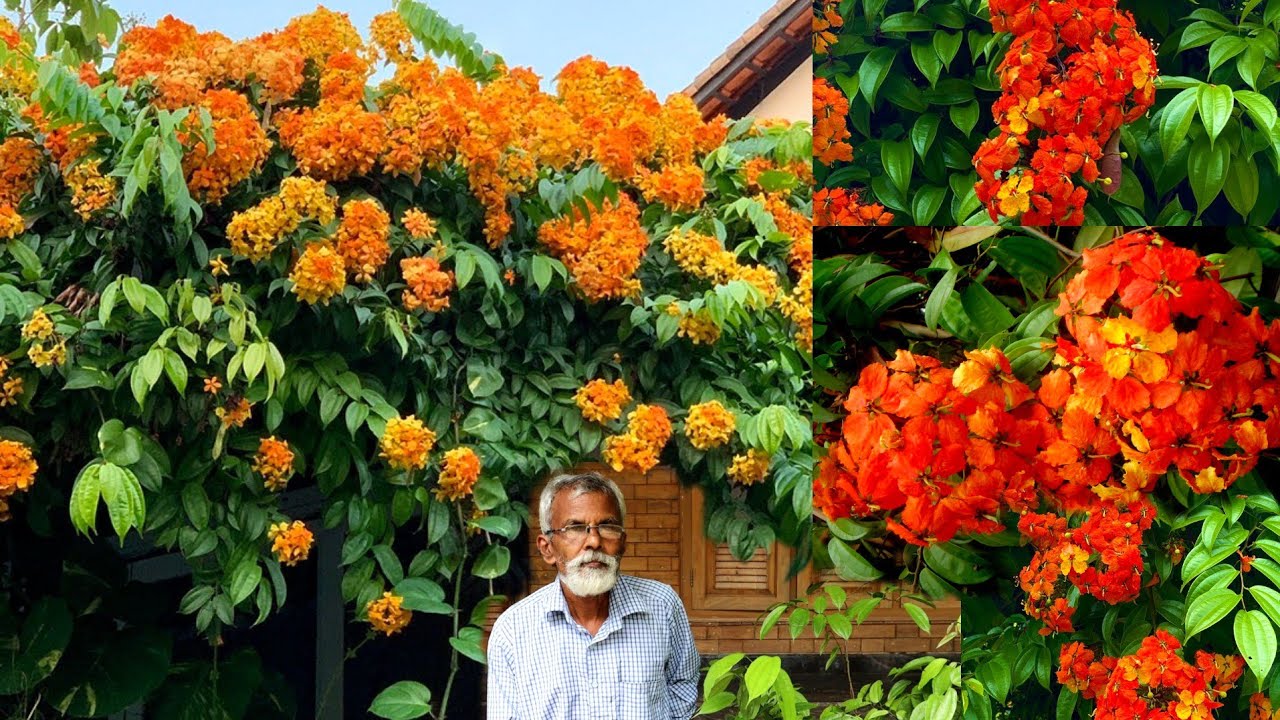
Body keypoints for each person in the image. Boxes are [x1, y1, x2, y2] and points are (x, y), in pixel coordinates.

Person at [487, 471, 700, 719]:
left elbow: (683, 685)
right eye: (575, 527)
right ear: (548, 548)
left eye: (607, 526)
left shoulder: (662, 606)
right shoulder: (513, 630)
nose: (594, 541)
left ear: (623, 542)